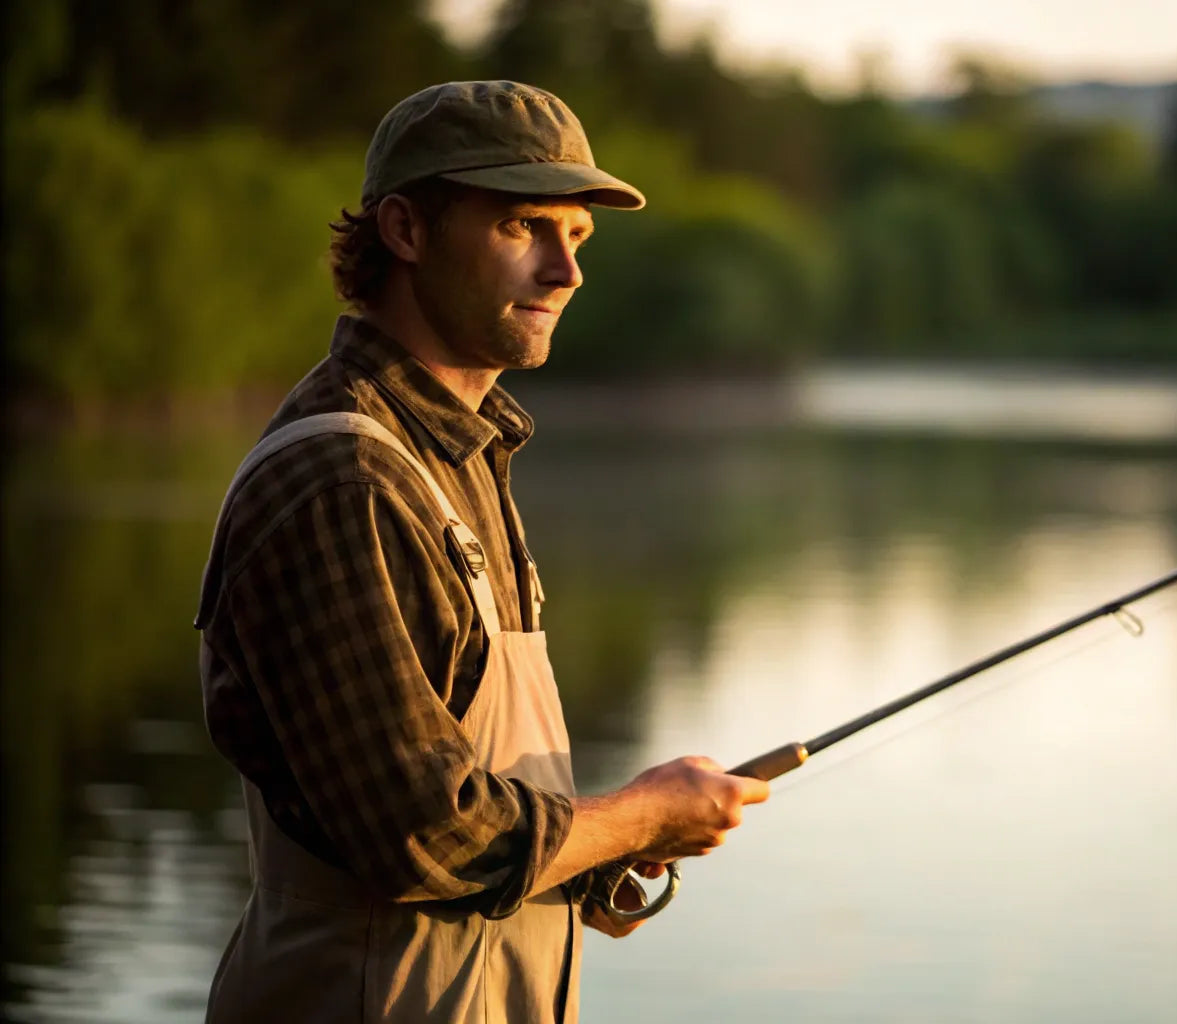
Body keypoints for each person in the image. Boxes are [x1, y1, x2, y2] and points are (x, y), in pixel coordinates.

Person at [192, 80, 770, 1023]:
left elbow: (472, 802)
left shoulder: (458, 454)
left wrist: (596, 857)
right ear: (407, 232)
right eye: (523, 228)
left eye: (577, 238)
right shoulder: (346, 479)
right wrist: (639, 815)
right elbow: (422, 834)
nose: (566, 272)